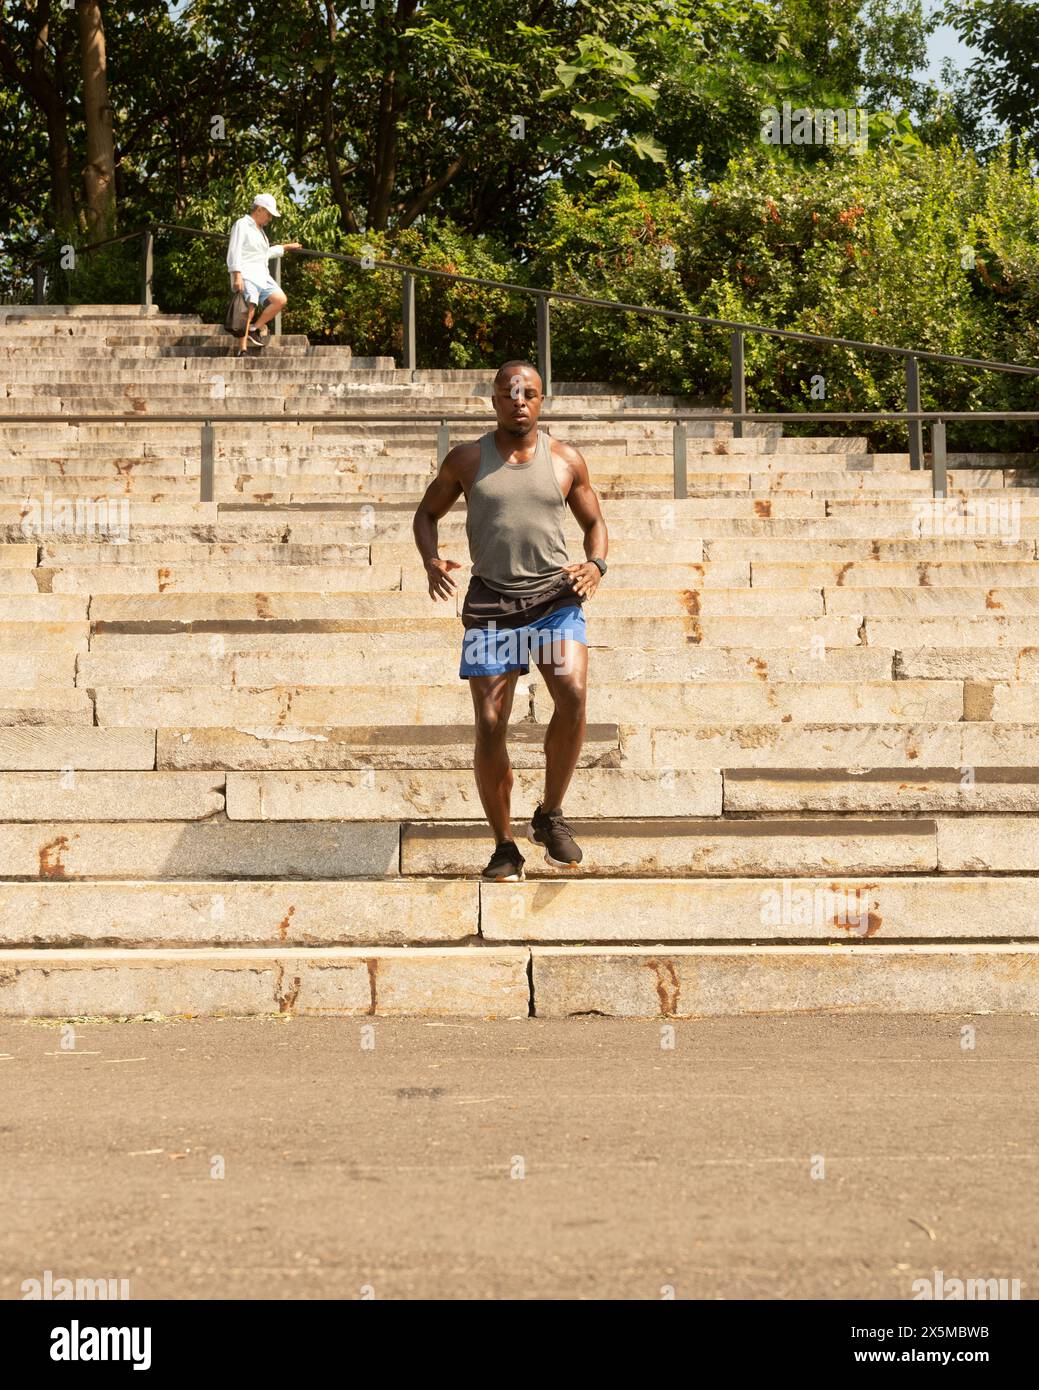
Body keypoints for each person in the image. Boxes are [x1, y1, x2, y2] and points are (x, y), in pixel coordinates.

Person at [413, 361, 609, 881]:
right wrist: (431, 558)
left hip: (553, 602)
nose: (519, 401)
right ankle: (504, 847)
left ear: (542, 400)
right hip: (491, 608)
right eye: (509, 393)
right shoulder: (467, 458)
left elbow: (595, 523)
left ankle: (550, 814)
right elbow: (426, 514)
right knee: (491, 722)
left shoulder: (566, 460)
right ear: (494, 400)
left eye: (530, 394)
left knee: (571, 691)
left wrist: (595, 564)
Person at [225, 193, 301, 356]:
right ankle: (242, 348)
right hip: (246, 273)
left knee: (280, 300)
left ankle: (254, 328)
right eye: (268, 214)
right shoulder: (242, 224)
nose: (270, 219)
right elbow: (234, 250)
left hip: (261, 274)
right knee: (249, 308)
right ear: (259, 209)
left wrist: (285, 247)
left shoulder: (260, 231)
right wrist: (237, 274)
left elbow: (264, 253)